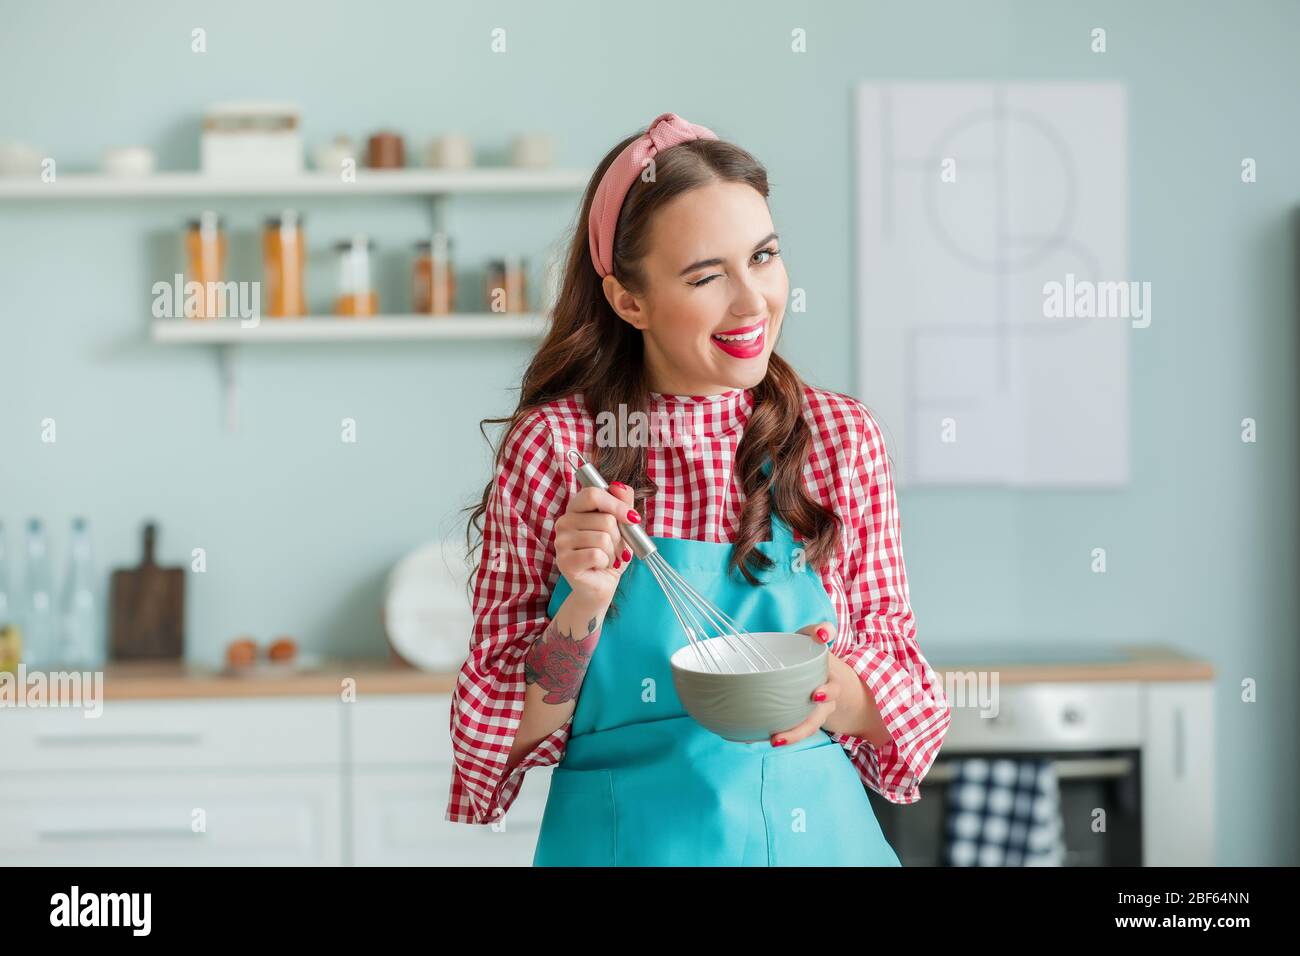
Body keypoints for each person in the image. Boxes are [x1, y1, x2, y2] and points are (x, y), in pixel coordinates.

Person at [448, 111, 951, 866]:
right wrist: (581, 603)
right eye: (707, 276)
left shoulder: (839, 438)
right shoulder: (558, 448)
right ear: (629, 301)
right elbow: (490, 737)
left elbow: (907, 698)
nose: (752, 302)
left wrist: (827, 690)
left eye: (764, 257)